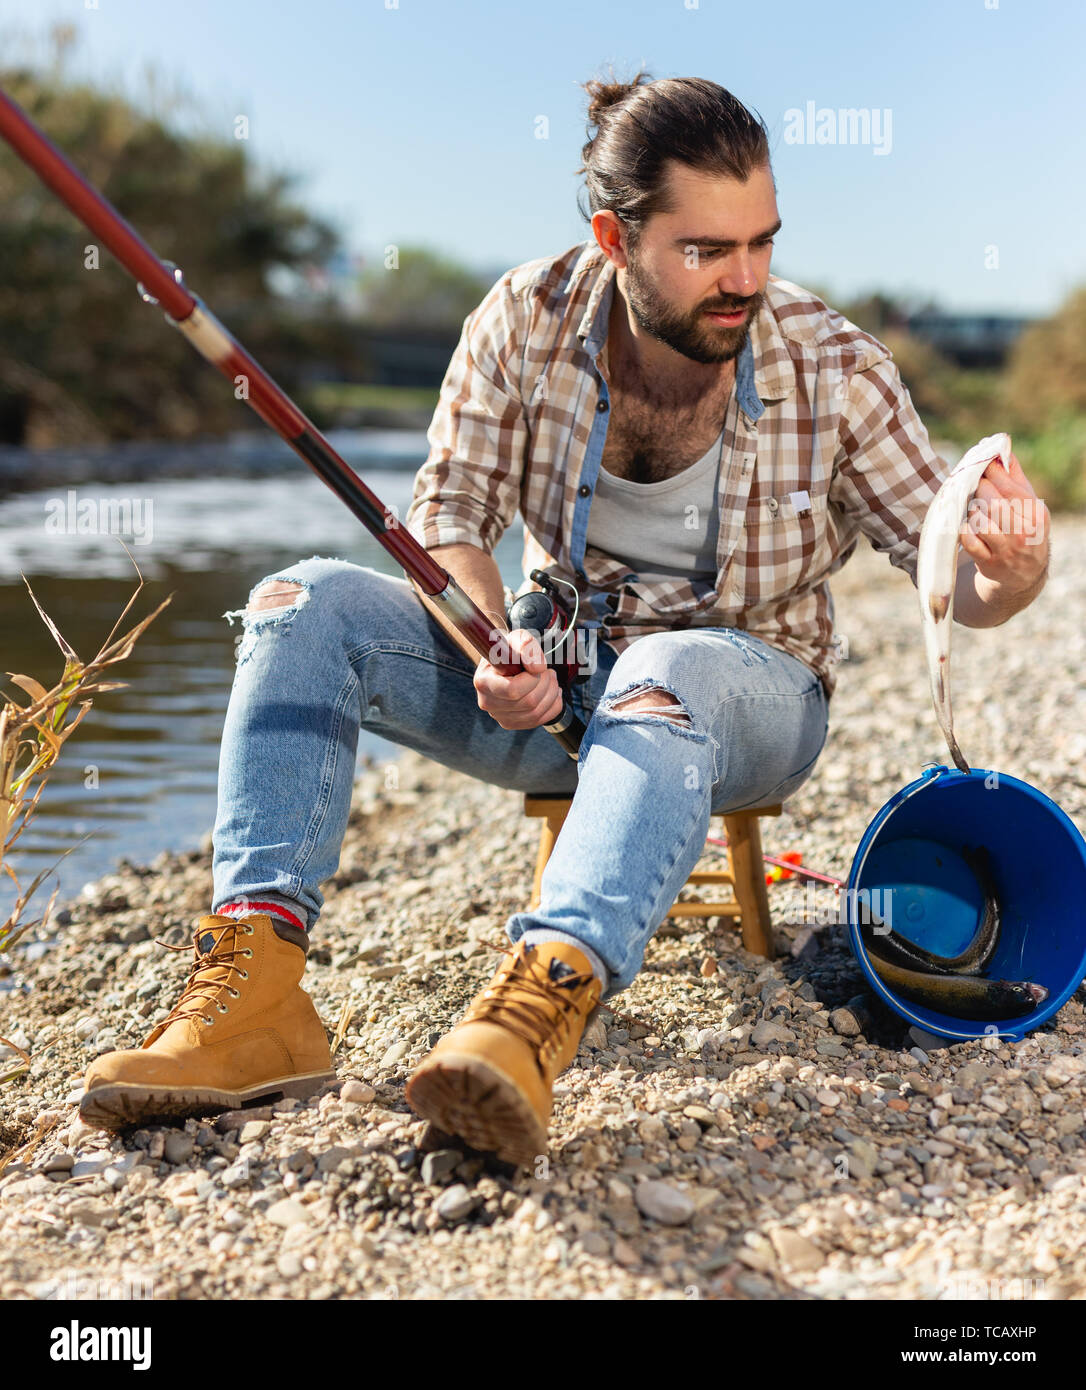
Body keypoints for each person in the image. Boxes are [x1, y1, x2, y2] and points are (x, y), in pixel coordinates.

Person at [80, 74, 1050, 1167]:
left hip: (753, 698)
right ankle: (253, 996)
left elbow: (951, 580)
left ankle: (541, 1000)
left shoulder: (832, 364)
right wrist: (489, 641)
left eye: (762, 242)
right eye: (704, 251)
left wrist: (1009, 568)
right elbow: (449, 516)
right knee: (301, 602)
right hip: (557, 691)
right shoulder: (524, 319)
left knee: (673, 665)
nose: (746, 279)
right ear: (613, 238)